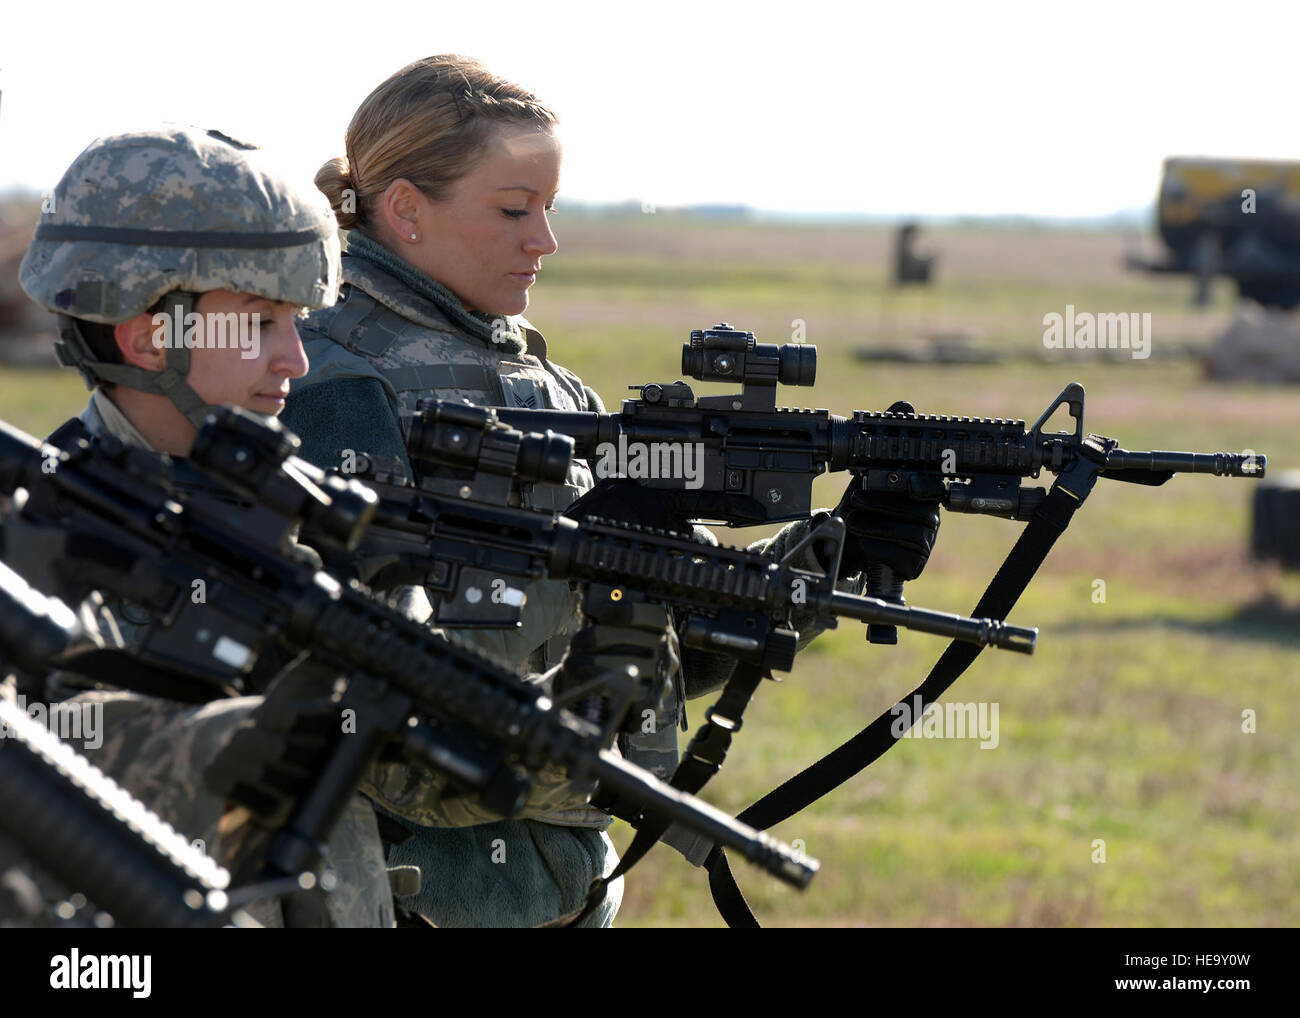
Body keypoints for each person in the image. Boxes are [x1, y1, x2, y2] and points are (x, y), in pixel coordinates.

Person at [280, 54, 941, 927]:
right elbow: (364, 725)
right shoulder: (331, 381)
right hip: (402, 898)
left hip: (564, 895)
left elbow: (676, 646)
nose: (544, 242)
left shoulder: (550, 388)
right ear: (404, 208)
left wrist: (840, 554)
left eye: (548, 210)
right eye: (515, 211)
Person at [10, 125, 394, 927]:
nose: (296, 359)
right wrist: (221, 744)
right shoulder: (31, 541)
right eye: (258, 324)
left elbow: (421, 782)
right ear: (153, 336)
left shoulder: (299, 523)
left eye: (298, 323)